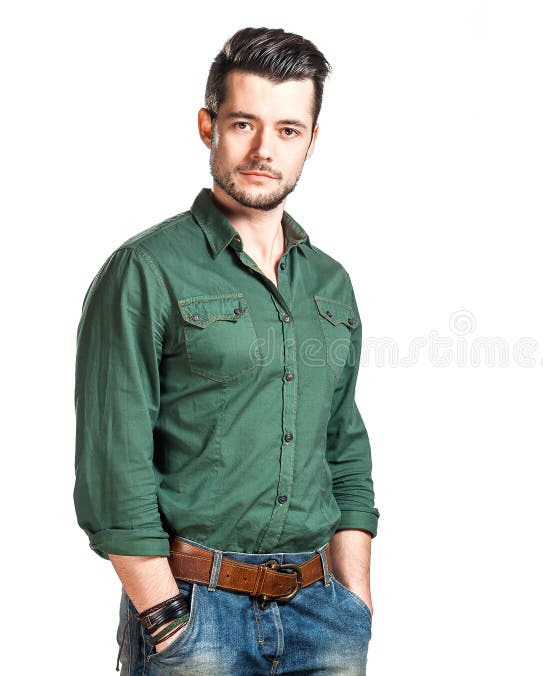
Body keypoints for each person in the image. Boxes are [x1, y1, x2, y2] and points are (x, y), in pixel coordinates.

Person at [73, 26, 379, 675]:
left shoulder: (330, 283)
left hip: (322, 615)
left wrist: (356, 597)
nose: (265, 149)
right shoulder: (146, 270)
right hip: (195, 617)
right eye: (244, 123)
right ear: (208, 125)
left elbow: (342, 440)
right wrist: (161, 613)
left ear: (311, 142)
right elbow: (113, 459)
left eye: (289, 130)